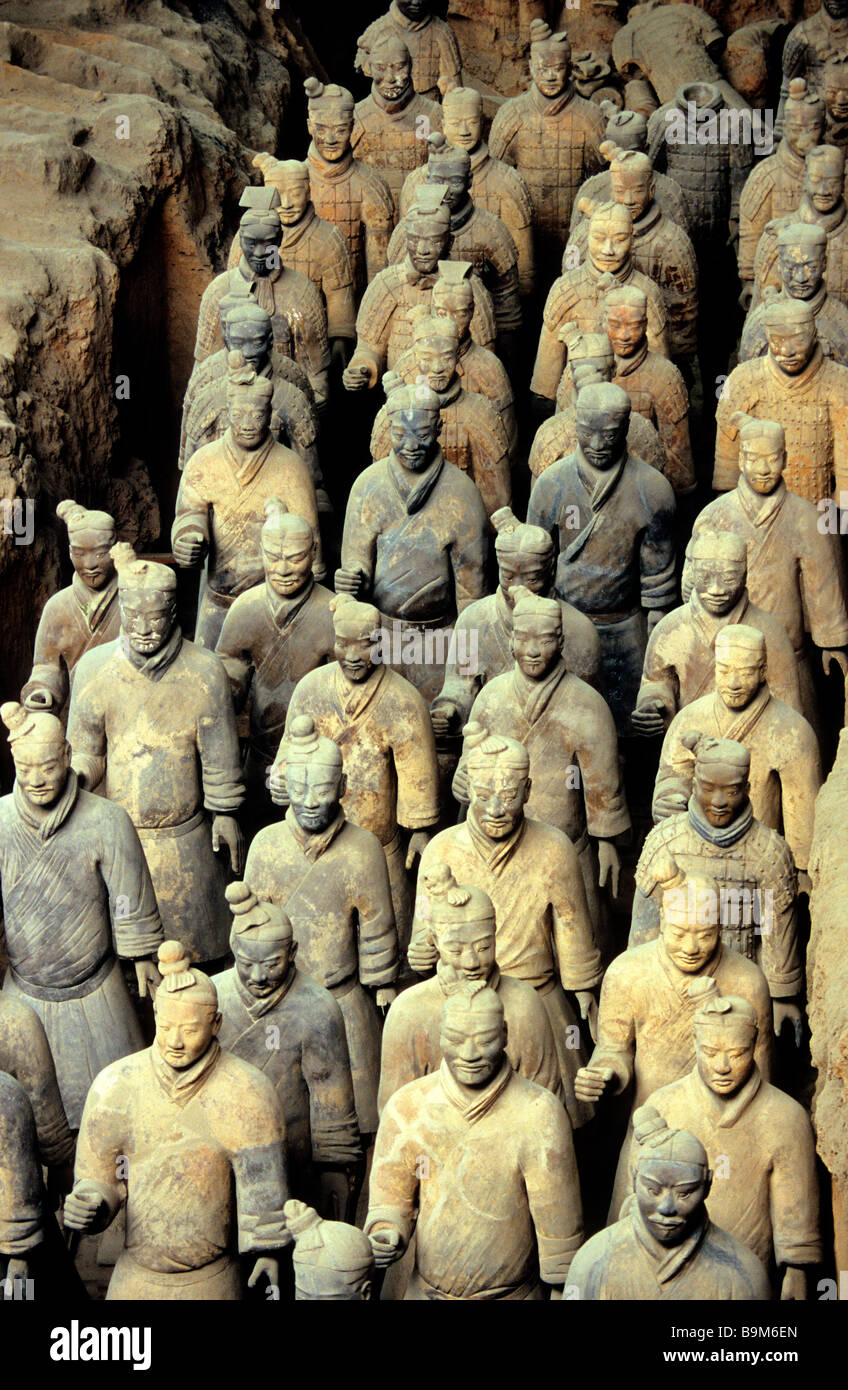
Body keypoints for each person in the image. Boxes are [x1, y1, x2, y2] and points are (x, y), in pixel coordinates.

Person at [66, 941, 290, 1300]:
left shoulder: (248, 1091)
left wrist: (267, 1251)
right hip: (135, 1277)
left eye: (189, 1029)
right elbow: (100, 1180)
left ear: (216, 1023)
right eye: (165, 1025)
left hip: (212, 1280)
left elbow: (262, 1190)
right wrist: (91, 1203)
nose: (174, 1041)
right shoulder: (115, 1085)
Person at [365, 983, 584, 1299]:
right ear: (441, 1036)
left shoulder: (540, 1113)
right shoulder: (407, 1107)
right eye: (455, 1040)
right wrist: (386, 1233)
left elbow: (561, 1242)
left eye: (486, 1040)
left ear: (506, 1035)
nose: (469, 1054)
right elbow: (389, 1203)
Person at [0, 701, 161, 1128]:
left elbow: (126, 897)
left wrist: (142, 954)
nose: (36, 780)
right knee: (22, 1119)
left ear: (68, 757)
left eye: (48, 768)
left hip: (97, 993)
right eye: (25, 768)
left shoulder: (106, 820)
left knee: (116, 1115)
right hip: (24, 995)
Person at [216, 883, 362, 1216]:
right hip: (222, 1148)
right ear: (233, 950)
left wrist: (335, 1173)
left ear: (293, 952)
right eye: (246, 963)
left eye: (271, 964)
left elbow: (331, 1101)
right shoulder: (214, 997)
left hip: (292, 1158)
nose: (258, 976)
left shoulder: (317, 1008)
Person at [378, 867, 562, 1112]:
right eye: (455, 950)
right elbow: (395, 1113)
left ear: (495, 935)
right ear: (434, 939)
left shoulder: (525, 1004)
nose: (471, 962)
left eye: (484, 947)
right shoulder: (409, 1011)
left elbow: (545, 1109)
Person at [567, 1104, 770, 1300]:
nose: (666, 1208)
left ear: (707, 1185)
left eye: (684, 1193)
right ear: (635, 1179)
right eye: (653, 1190)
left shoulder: (743, 1272)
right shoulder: (592, 1261)